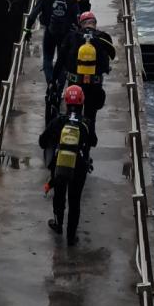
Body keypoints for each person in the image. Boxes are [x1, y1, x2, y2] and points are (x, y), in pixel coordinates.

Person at [39, 85, 92, 245]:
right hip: (80, 167)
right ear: (82, 102)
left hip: (60, 164)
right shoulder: (86, 123)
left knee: (60, 195)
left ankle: (58, 224)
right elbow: (93, 141)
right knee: (74, 201)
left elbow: (42, 141)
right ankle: (71, 236)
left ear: (66, 102)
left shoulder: (58, 121)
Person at [54, 11, 115, 144]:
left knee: (72, 114)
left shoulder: (71, 36)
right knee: (90, 116)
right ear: (94, 24)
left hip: (75, 84)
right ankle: (88, 141)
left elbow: (60, 61)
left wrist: (53, 80)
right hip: (94, 84)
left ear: (80, 24)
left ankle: (69, 140)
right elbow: (111, 56)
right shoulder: (104, 37)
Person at [24, 0, 79, 84]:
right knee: (62, 60)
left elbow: (31, 17)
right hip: (66, 34)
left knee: (47, 59)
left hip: (50, 32)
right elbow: (78, 19)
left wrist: (27, 30)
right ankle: (59, 89)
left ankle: (50, 84)